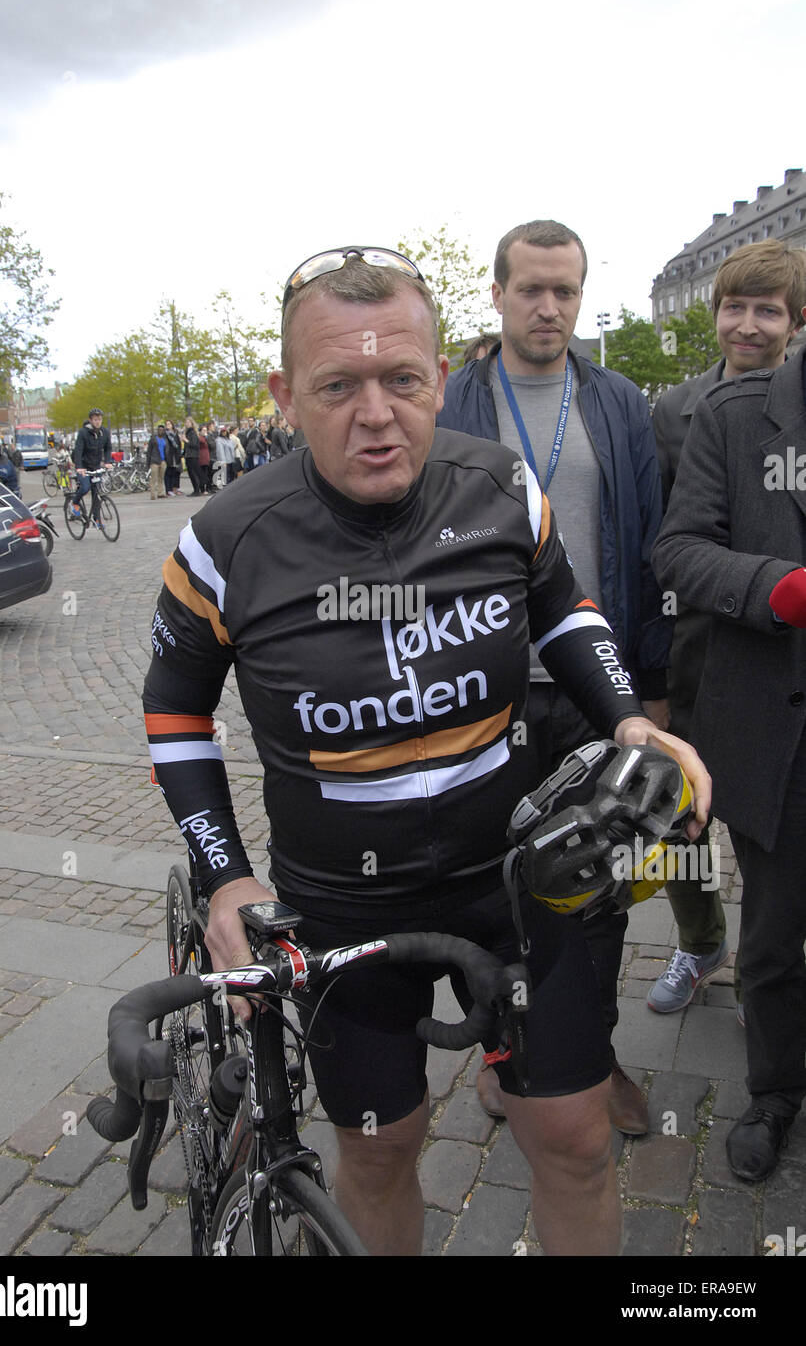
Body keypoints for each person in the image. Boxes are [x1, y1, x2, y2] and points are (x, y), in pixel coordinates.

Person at [143, 244, 710, 1255]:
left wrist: (629, 717)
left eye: (402, 379)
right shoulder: (226, 537)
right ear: (284, 394)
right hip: (342, 898)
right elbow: (177, 710)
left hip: (517, 879)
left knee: (575, 1138)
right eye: (338, 385)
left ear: (441, 377)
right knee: (378, 1147)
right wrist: (225, 879)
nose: (376, 413)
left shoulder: (500, 482)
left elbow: (564, 609)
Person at [437, 219, 671, 1135]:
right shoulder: (452, 402)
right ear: (495, 293)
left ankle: (592, 1054)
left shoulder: (615, 402)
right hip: (481, 692)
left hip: (592, 694)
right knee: (487, 879)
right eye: (530, 288)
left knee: (599, 884)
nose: (549, 306)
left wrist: (646, 690)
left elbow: (648, 554)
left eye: (565, 290)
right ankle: (501, 1049)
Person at [653, 320, 806, 1183]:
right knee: (776, 934)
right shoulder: (736, 415)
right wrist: (776, 588)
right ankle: (777, 1089)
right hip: (781, 726)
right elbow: (678, 550)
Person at [71, 407, 113, 524]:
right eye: (95, 419)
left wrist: (107, 461)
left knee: (96, 492)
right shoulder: (83, 433)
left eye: (99, 419)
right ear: (90, 420)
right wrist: (79, 466)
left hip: (96, 466)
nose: (97, 422)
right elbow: (78, 450)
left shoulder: (104, 432)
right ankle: (75, 502)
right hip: (83, 466)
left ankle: (96, 519)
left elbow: (108, 448)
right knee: (85, 487)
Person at [147, 425, 168, 500]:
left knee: (161, 478)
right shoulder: (153, 439)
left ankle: (160, 493)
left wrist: (166, 460)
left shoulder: (164, 439)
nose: (160, 431)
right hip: (154, 461)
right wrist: (148, 462)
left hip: (162, 460)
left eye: (162, 430)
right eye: (159, 430)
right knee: (154, 478)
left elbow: (166, 450)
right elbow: (149, 451)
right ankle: (152, 494)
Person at [183, 420, 203, 495]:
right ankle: (196, 489)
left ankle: (197, 490)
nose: (187, 424)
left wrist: (186, 440)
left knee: (194, 473)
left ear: (192, 424)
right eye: (186, 422)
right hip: (189, 455)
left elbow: (194, 445)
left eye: (188, 422)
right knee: (191, 473)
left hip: (193, 456)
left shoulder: (192, 433)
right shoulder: (188, 432)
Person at [164, 421, 183, 494]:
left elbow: (178, 445)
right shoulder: (165, 435)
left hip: (176, 456)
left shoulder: (175, 434)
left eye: (169, 424)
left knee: (175, 472)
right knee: (168, 473)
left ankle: (174, 488)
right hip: (169, 456)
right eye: (166, 424)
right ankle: (168, 489)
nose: (168, 425)